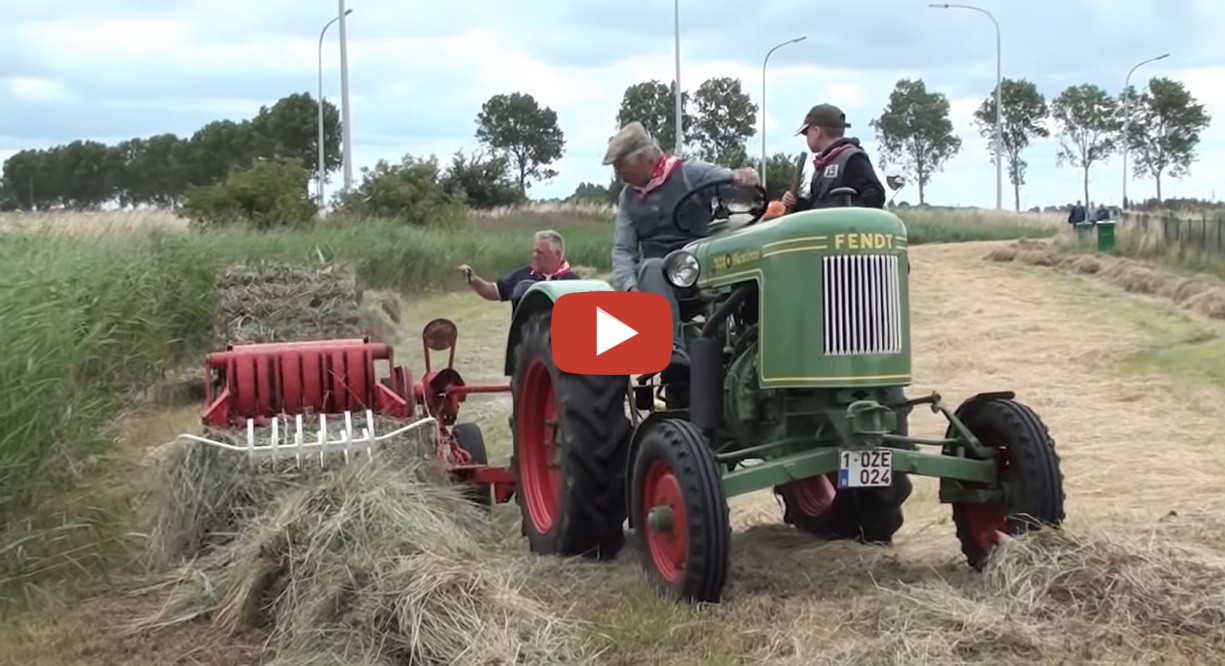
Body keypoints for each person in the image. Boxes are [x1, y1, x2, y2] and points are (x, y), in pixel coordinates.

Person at [606, 121, 760, 382]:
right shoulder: (628, 197)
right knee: (653, 266)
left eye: (621, 166)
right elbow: (623, 249)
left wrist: (746, 178)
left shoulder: (690, 173)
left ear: (643, 158)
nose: (618, 174)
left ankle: (749, 345)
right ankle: (670, 351)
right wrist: (630, 287)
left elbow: (738, 186)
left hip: (699, 267)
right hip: (658, 279)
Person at [781, 104, 886, 211]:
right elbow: (815, 207)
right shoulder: (822, 165)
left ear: (817, 132)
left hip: (846, 227)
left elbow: (876, 194)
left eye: (806, 133)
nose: (806, 138)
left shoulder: (852, 158)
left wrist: (849, 214)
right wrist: (796, 203)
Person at [458, 229, 578, 310]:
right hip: (523, 344)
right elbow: (495, 291)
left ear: (557, 254)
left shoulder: (574, 284)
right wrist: (473, 280)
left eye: (540, 252)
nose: (534, 256)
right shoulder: (522, 276)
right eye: (534, 251)